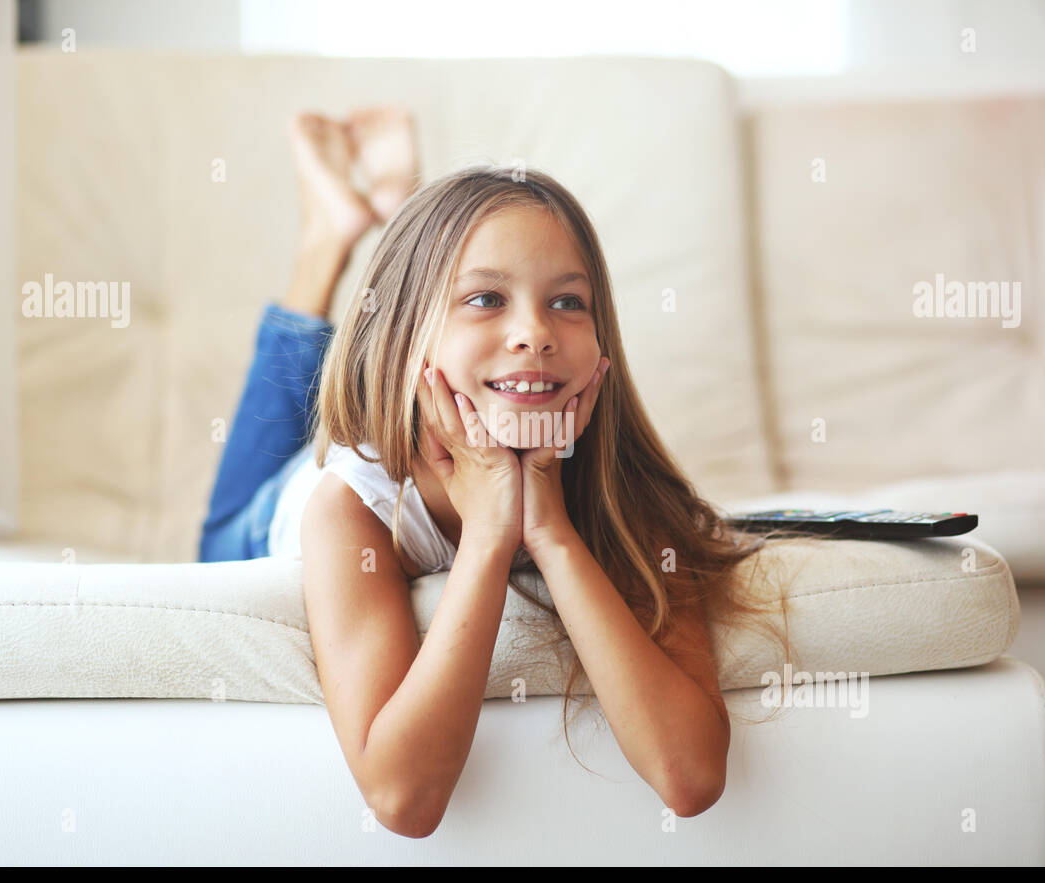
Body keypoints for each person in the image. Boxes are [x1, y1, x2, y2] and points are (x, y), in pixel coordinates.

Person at [200, 107, 788, 839]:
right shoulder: (347, 508)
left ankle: (385, 210)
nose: (534, 333)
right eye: (486, 298)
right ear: (408, 336)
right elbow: (402, 799)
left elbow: (691, 776)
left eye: (568, 302)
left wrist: (549, 530)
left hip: (420, 409)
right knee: (230, 510)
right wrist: (486, 534)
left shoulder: (624, 495)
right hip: (273, 508)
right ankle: (328, 234)